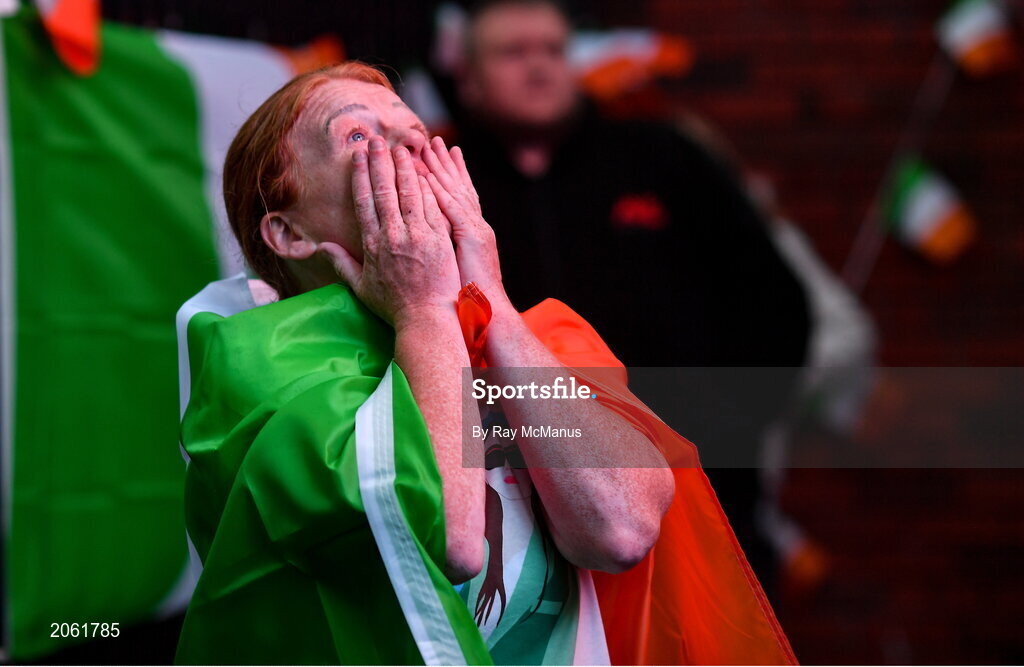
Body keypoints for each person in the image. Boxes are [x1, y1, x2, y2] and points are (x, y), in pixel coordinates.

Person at [174, 62, 795, 665]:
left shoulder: (541, 334)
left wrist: (488, 296)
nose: (410, 152)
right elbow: (444, 539)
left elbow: (621, 527)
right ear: (289, 234)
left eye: (417, 136)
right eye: (358, 137)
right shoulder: (255, 364)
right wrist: (421, 306)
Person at [450, 0, 812, 595]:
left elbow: (774, 305)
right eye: (513, 53)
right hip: (522, 503)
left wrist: (720, 428)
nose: (538, 67)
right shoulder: (449, 185)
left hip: (699, 487)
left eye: (553, 50)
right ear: (469, 73)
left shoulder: (664, 159)